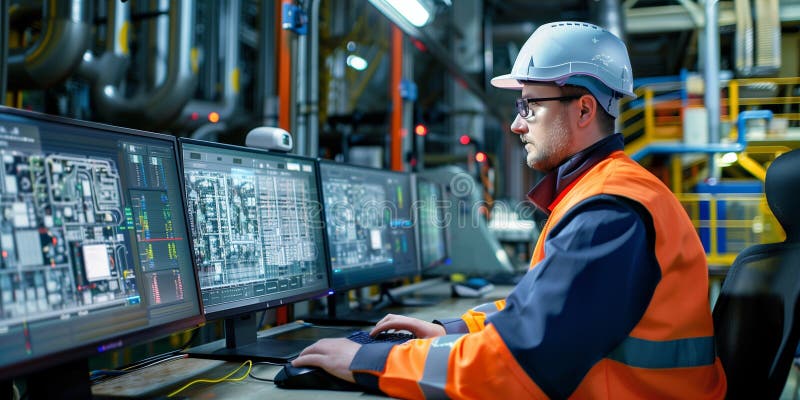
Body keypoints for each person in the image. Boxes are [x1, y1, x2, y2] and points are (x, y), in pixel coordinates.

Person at [293, 21, 727, 399]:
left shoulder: (610, 212)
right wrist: (452, 331)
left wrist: (370, 361)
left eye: (529, 106)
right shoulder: (604, 190)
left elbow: (522, 363)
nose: (517, 123)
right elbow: (539, 310)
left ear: (584, 109)